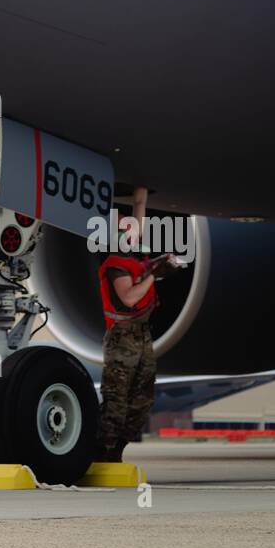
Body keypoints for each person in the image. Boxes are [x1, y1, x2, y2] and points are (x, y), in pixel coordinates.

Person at [96, 188, 177, 462]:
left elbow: (138, 209)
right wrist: (154, 276)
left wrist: (140, 192)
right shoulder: (115, 265)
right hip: (122, 337)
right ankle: (102, 454)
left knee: (143, 400)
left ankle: (116, 451)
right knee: (116, 400)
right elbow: (129, 298)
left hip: (142, 336)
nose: (131, 230)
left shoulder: (133, 258)